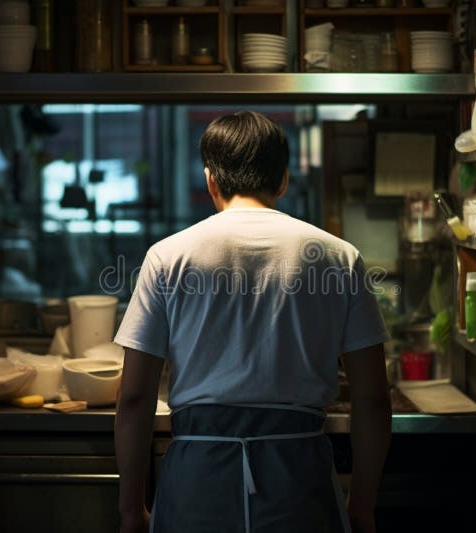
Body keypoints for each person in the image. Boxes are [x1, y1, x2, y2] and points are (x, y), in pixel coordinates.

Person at [114, 111, 392, 533]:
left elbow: (134, 398)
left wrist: (131, 510)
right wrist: (363, 506)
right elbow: (372, 399)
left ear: (211, 180)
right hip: (300, 482)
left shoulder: (167, 257)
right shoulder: (340, 258)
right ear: (283, 181)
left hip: (197, 481)